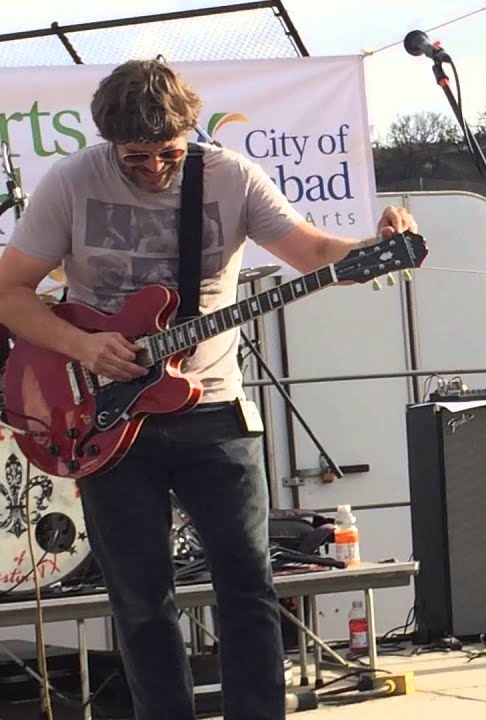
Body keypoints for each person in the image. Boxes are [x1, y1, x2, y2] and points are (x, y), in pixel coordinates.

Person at [0, 59, 418, 720]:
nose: (155, 170)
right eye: (136, 158)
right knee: (139, 598)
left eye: (168, 154)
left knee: (249, 585)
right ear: (110, 141)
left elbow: (312, 253)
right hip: (103, 418)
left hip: (212, 408)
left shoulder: (228, 176)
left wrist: (375, 245)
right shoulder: (73, 181)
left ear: (188, 132)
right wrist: (84, 346)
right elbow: (9, 291)